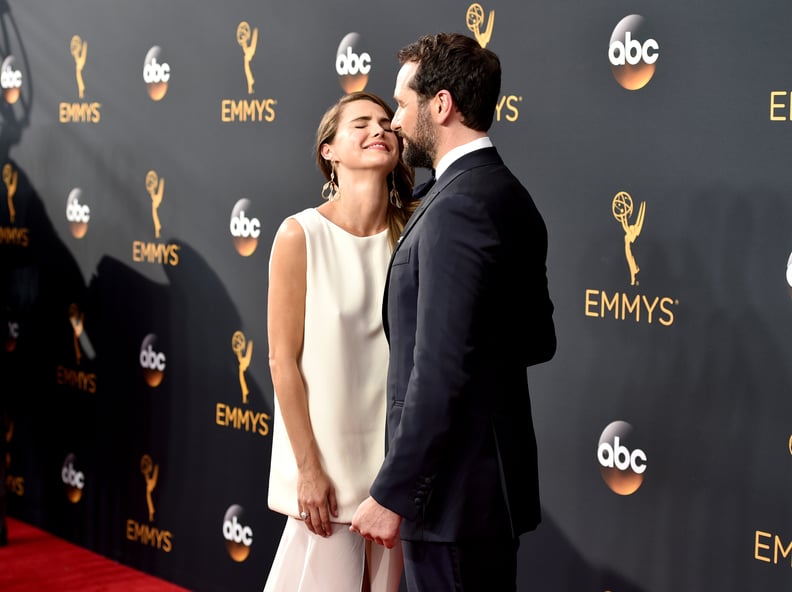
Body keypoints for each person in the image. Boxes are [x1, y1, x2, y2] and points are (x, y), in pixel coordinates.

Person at [350, 33, 557, 591]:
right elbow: (538, 339)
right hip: (483, 497)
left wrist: (393, 493)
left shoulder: (457, 207)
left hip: (452, 500)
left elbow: (440, 371)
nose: (394, 120)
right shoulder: (507, 193)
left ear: (441, 106)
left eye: (403, 103)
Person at [264, 91, 416, 592]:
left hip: (394, 470)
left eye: (386, 122)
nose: (380, 129)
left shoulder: (416, 230)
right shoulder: (299, 235)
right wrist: (308, 470)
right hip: (327, 475)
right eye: (362, 123)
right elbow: (282, 361)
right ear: (329, 149)